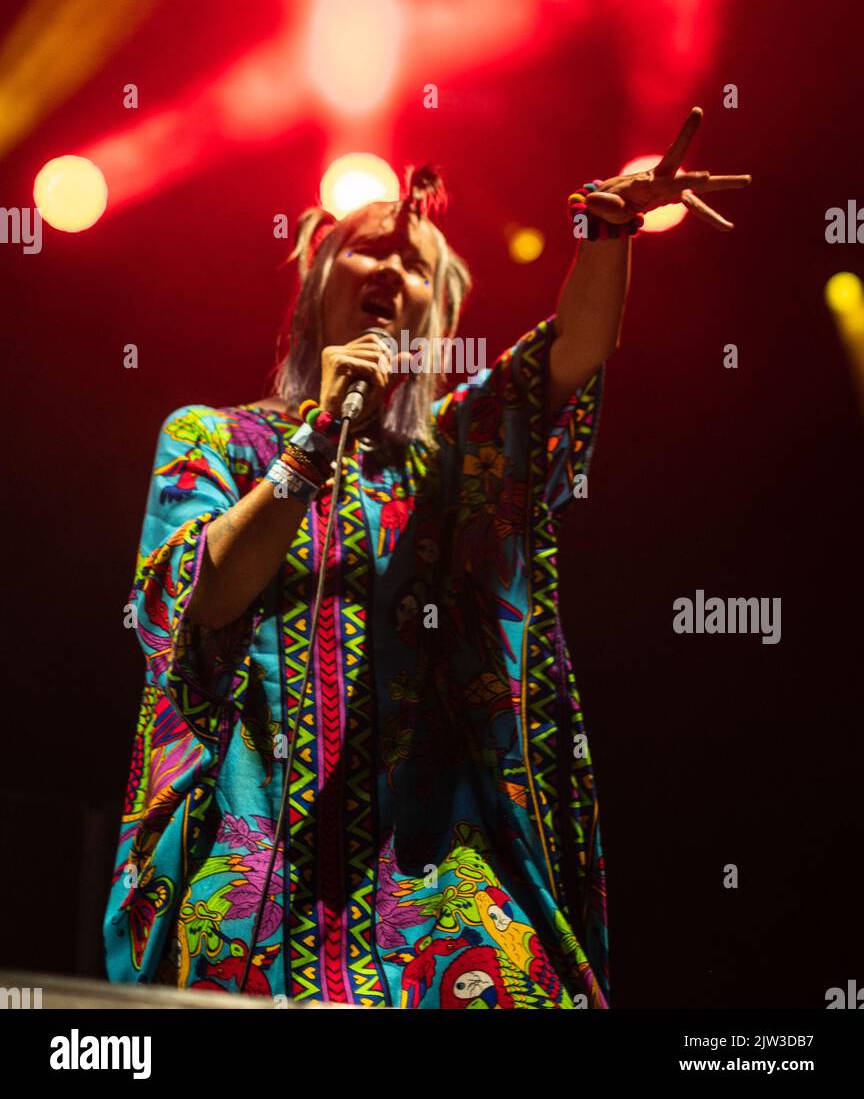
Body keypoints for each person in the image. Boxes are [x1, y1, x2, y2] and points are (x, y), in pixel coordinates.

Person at [102, 109, 749, 1007]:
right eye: (371, 253)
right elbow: (198, 602)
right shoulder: (217, 440)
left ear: (435, 319)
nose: (393, 272)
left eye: (416, 269)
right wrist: (315, 444)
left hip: (437, 871)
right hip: (251, 859)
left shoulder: (456, 457)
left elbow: (572, 352)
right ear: (319, 282)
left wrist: (608, 230)